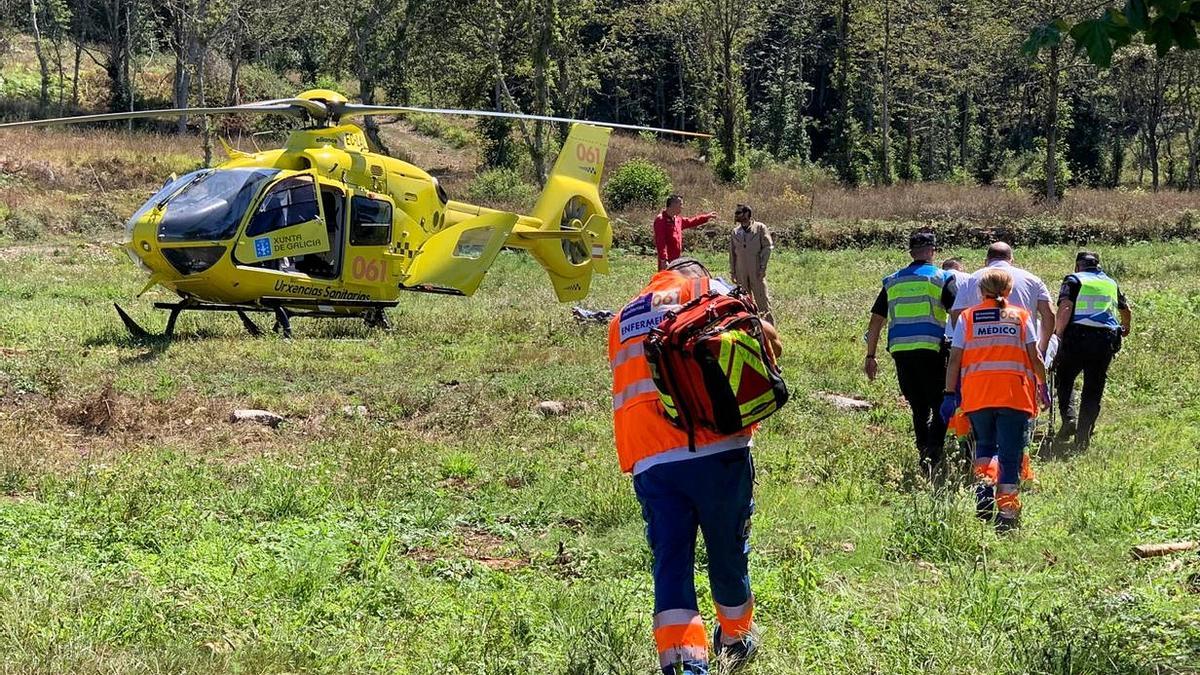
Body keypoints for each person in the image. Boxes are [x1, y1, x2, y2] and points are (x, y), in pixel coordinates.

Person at [609, 257, 781, 675]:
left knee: (670, 562)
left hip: (651, 457)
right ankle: (736, 639)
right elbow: (769, 343)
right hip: (718, 447)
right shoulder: (707, 288)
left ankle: (685, 665)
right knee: (727, 551)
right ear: (697, 273)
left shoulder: (621, 319)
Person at [943, 268, 1047, 532]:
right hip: (1014, 395)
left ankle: (983, 499)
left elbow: (955, 359)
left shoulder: (967, 317)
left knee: (984, 448)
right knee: (1010, 454)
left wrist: (948, 393)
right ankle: (1007, 513)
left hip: (978, 396)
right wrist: (1043, 384)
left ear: (981, 291)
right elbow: (1034, 357)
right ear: (1010, 291)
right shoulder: (1021, 317)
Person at [864, 231, 957, 476]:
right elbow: (957, 315)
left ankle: (923, 450)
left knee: (917, 405)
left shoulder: (893, 281)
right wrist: (963, 346)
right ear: (933, 251)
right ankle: (933, 451)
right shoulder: (942, 277)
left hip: (901, 351)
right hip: (931, 349)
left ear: (911, 252)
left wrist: (870, 356)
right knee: (940, 404)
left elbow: (876, 322)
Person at [1051, 251, 1132, 452]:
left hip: (1077, 337)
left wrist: (1058, 334)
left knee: (1065, 377)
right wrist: (1126, 327)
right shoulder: (1110, 283)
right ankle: (1083, 436)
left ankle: (1069, 419)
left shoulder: (1074, 279)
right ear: (1098, 265)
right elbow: (1126, 309)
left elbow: (1066, 307)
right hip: (1105, 339)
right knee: (1093, 387)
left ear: (1078, 266)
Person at [951, 242, 1055, 356]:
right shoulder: (1033, 280)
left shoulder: (970, 280)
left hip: (979, 353)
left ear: (986, 261)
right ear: (1012, 260)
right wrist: (1042, 348)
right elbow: (1049, 314)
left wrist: (963, 346)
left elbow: (957, 314)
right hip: (1021, 352)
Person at [729, 203, 774, 322]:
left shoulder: (759, 228)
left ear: (747, 214)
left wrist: (762, 267)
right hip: (741, 270)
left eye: (739, 213)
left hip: (756, 269)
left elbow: (767, 247)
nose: (736, 215)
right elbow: (732, 253)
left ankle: (769, 329)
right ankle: (750, 328)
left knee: (762, 301)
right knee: (744, 301)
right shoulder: (735, 232)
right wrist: (733, 272)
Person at [654, 195, 717, 270]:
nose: (682, 207)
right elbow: (660, 241)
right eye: (680, 204)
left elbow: (691, 221)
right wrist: (663, 260)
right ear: (673, 205)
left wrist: (706, 217)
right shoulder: (661, 220)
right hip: (667, 261)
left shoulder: (677, 219)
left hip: (676, 259)